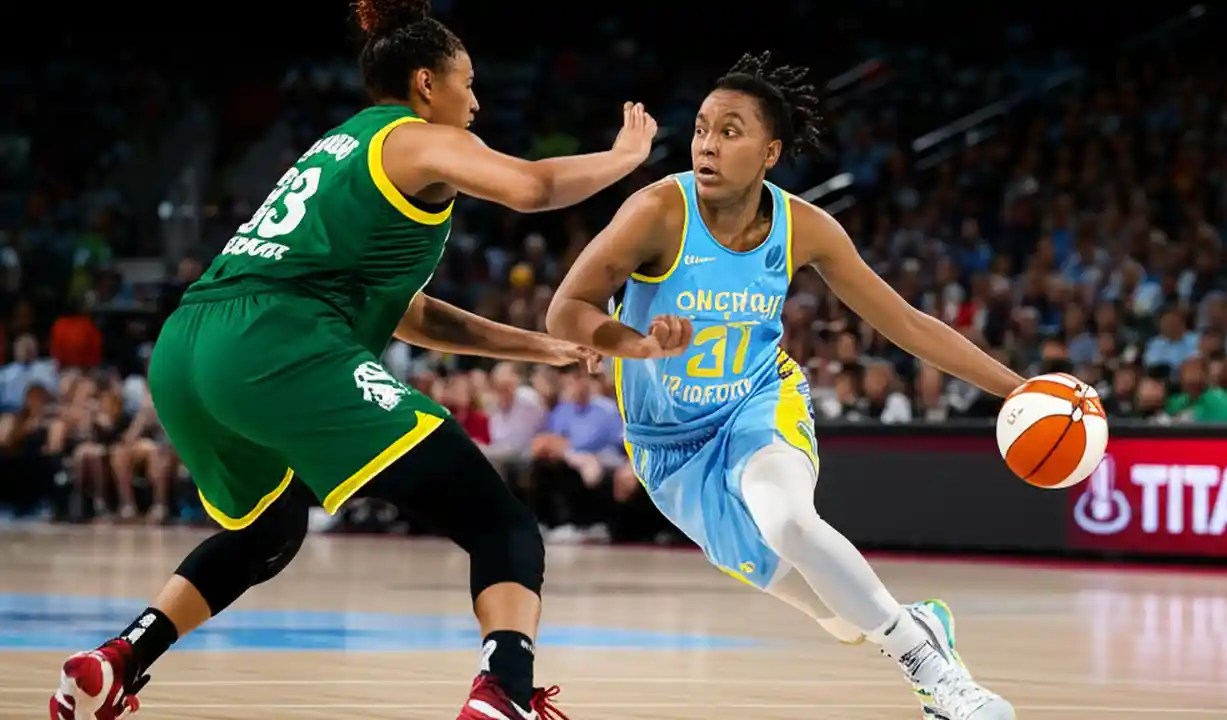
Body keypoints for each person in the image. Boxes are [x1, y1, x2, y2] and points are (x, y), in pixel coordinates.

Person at [48, 1, 657, 718]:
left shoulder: (342, 146)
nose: (477, 102)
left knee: (269, 529)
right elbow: (530, 187)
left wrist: (534, 345)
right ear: (426, 84)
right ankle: (504, 693)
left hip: (189, 347)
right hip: (272, 342)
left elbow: (406, 312)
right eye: (467, 84)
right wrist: (624, 159)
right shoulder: (414, 138)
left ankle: (118, 661)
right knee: (500, 524)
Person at [546, 51, 1023, 720]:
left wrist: (1017, 388)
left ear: (770, 152)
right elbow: (566, 309)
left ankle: (934, 674)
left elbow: (907, 325)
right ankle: (916, 627)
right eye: (703, 128)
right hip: (669, 450)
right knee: (842, 617)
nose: (708, 144)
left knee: (790, 520)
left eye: (731, 131)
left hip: (757, 404)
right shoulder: (657, 213)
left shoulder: (805, 227)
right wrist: (636, 343)